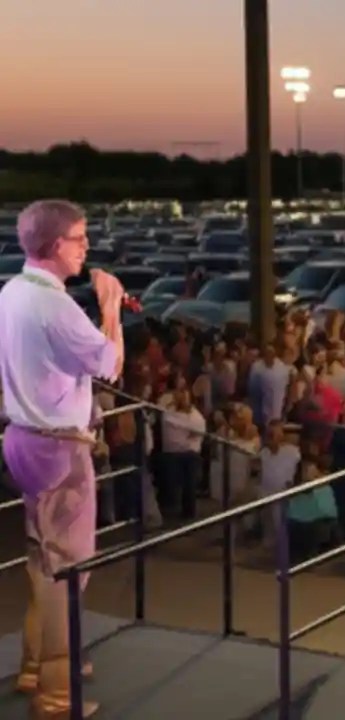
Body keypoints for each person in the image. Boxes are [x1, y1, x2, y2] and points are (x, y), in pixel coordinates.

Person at [0, 200, 126, 718]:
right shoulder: (58, 306)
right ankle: (56, 689)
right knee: (68, 571)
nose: (87, 246)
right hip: (59, 447)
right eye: (80, 238)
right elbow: (110, 364)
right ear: (56, 247)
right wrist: (111, 306)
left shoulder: (11, 291)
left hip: (21, 439)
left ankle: (35, 663)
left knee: (41, 558)